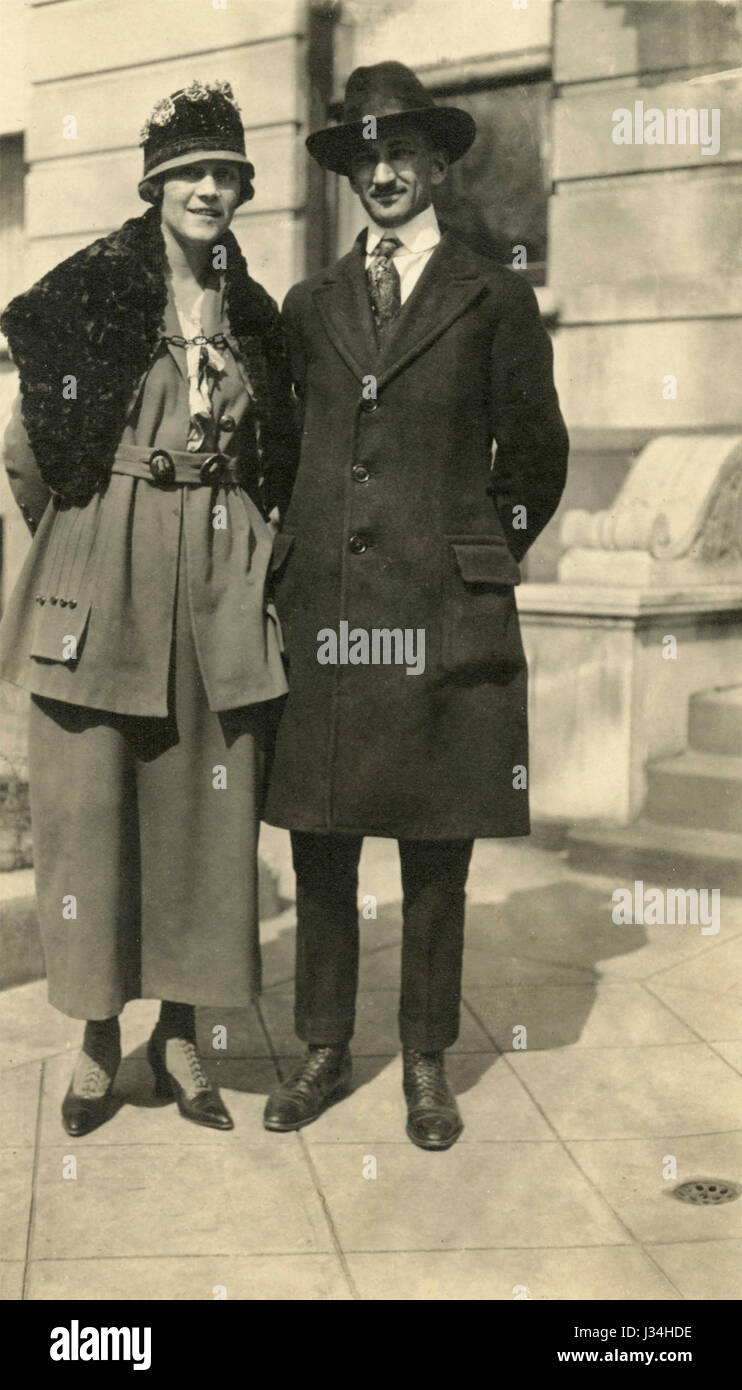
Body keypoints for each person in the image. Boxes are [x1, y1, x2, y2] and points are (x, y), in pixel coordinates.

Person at [262, 62, 569, 1150]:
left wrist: (480, 553)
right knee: (322, 838)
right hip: (330, 615)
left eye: (401, 153)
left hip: (439, 611)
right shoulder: (309, 306)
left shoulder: (493, 296)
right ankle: (322, 1047)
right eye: (363, 156)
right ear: (348, 174)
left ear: (438, 164)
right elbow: (281, 451)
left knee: (437, 842)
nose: (382, 172)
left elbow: (535, 451)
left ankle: (426, 1059)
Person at [0, 80, 296, 1137]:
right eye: (192, 173)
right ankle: (91, 1041)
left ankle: (177, 1034)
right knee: (86, 813)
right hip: (103, 558)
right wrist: (94, 533)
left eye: (228, 174)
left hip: (216, 577)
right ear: (155, 185)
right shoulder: (88, 294)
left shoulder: (253, 310)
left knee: (200, 813)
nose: (212, 190)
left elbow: (279, 449)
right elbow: (30, 454)